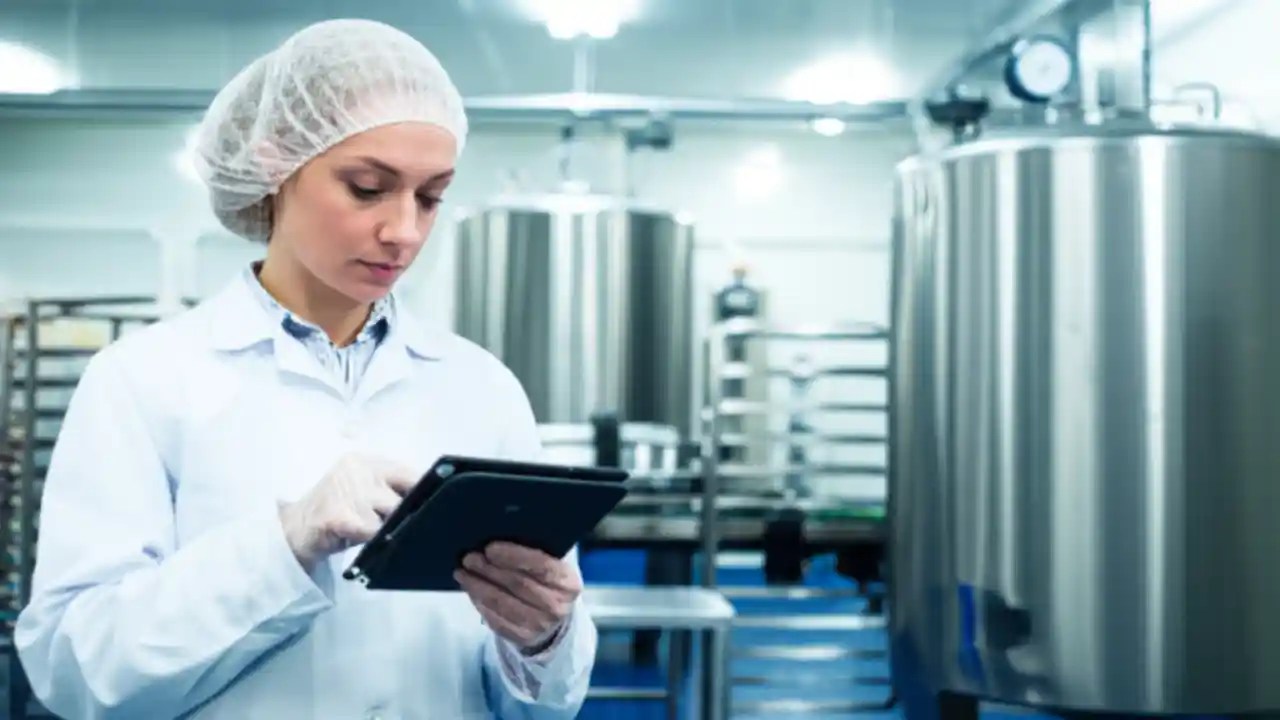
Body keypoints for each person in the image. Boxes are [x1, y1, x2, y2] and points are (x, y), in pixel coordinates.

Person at [14, 18, 596, 720]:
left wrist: (542, 640)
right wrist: (284, 541)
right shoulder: (143, 381)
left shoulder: (481, 387)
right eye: (367, 187)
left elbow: (541, 704)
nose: (404, 231)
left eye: (431, 196)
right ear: (274, 165)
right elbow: (78, 671)